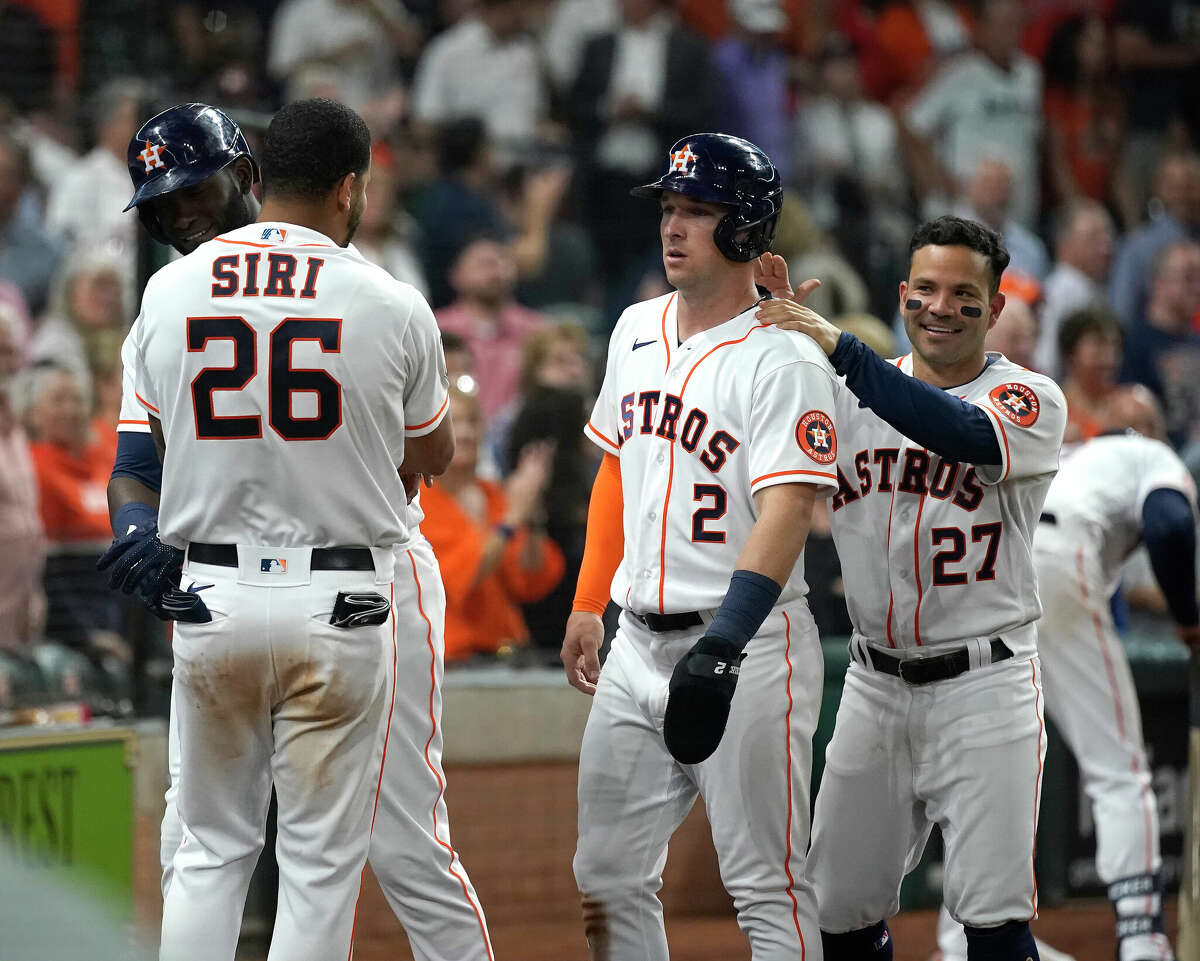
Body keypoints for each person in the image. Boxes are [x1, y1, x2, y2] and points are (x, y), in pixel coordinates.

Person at [101, 101, 494, 960]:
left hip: (213, 594)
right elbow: (433, 451)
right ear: (351, 187)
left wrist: (144, 513)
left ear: (256, 175)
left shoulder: (168, 293)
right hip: (345, 592)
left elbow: (143, 453)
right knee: (319, 866)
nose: (181, 216)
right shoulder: (386, 297)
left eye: (190, 192)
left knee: (205, 852)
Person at [755, 214, 1067, 959]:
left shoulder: (1029, 398)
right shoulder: (850, 386)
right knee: (837, 908)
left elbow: (954, 430)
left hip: (984, 683)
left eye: (964, 293)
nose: (940, 305)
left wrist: (836, 347)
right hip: (873, 683)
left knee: (993, 919)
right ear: (902, 295)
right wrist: (768, 336)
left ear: (993, 310)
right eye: (925, 288)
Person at [560, 132, 840, 960]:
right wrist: (586, 600)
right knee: (605, 873)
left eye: (699, 210)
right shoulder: (635, 327)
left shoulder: (784, 356)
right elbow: (616, 467)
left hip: (747, 646)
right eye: (669, 208)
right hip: (635, 642)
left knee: (766, 885)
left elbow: (788, 511)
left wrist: (722, 647)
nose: (673, 226)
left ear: (748, 230)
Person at [934, 386, 1190, 961]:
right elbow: (1172, 526)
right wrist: (1190, 622)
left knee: (990, 765)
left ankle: (959, 939)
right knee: (1119, 766)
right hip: (1054, 556)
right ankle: (1143, 937)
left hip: (983, 563)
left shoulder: (1072, 453)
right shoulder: (1153, 455)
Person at [421, 386, 564, 662]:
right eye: (452, 422)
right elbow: (466, 575)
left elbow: (531, 582)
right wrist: (513, 518)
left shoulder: (494, 495)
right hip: (450, 661)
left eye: (472, 422)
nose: (464, 433)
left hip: (506, 654)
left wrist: (532, 517)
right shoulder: (420, 503)